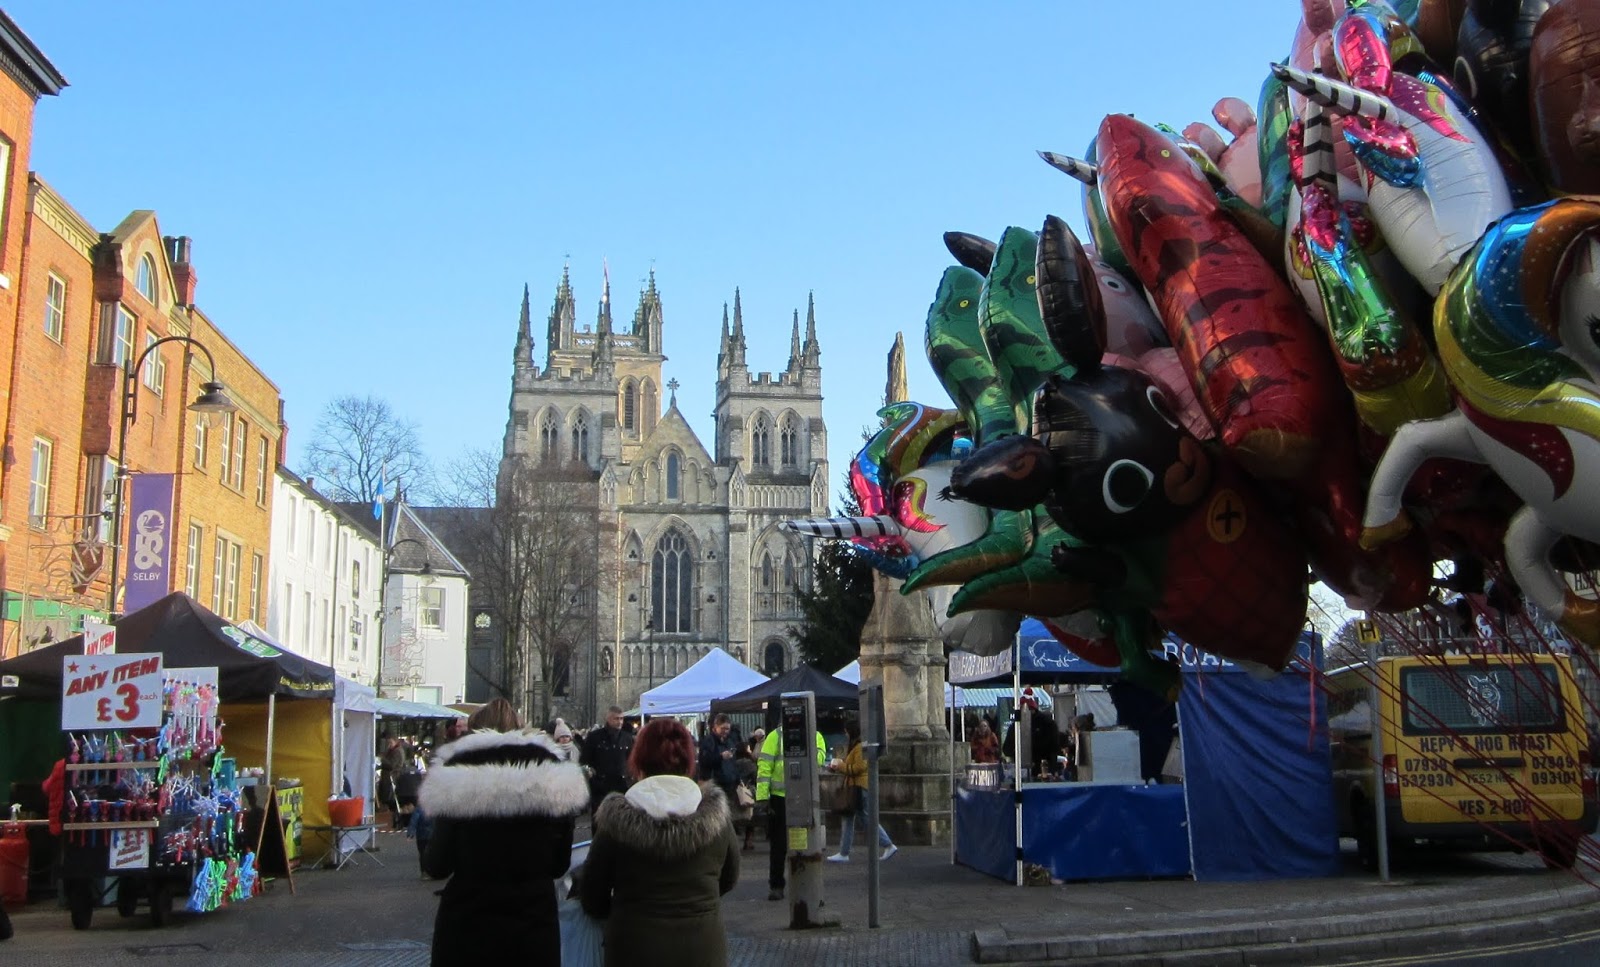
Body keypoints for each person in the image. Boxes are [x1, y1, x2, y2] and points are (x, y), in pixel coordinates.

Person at [420, 697, 589, 966]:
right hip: (532, 924)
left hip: (468, 925)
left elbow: (437, 864)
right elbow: (558, 865)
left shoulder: (456, 774)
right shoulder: (553, 775)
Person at [582, 718, 740, 967]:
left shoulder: (616, 822)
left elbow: (592, 894)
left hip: (634, 946)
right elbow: (729, 878)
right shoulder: (715, 818)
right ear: (689, 759)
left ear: (639, 760)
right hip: (700, 947)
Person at [754, 718, 826, 901]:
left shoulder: (814, 736)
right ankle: (777, 885)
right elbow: (764, 767)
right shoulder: (775, 737)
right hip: (780, 798)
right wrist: (763, 797)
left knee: (803, 841)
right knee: (779, 845)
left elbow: (819, 758)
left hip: (801, 797)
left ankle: (804, 883)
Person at [826, 721, 897, 863]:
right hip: (856, 786)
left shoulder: (859, 747)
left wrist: (841, 766)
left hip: (859, 786)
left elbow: (859, 767)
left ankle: (887, 844)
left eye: (846, 731)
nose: (845, 734)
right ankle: (844, 852)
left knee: (865, 818)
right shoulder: (857, 747)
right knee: (850, 818)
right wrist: (839, 766)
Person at [582, 705, 634, 813]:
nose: (619, 722)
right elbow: (584, 760)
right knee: (599, 822)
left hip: (622, 786)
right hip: (600, 787)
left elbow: (632, 760)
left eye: (621, 719)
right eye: (616, 718)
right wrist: (592, 778)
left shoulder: (627, 738)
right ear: (608, 718)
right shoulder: (594, 737)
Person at [696, 713, 740, 805]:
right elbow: (704, 761)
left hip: (730, 785)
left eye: (727, 729)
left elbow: (733, 763)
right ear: (716, 727)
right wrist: (720, 757)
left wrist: (737, 779)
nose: (725, 731)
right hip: (715, 785)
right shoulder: (708, 741)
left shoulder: (729, 741)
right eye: (723, 728)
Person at [380, 736, 408, 829]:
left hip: (394, 777)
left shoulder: (397, 751)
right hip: (389, 777)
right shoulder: (392, 751)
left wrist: (382, 759)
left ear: (395, 742)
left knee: (392, 798)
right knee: (390, 798)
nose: (389, 745)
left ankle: (396, 819)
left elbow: (392, 765)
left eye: (390, 743)